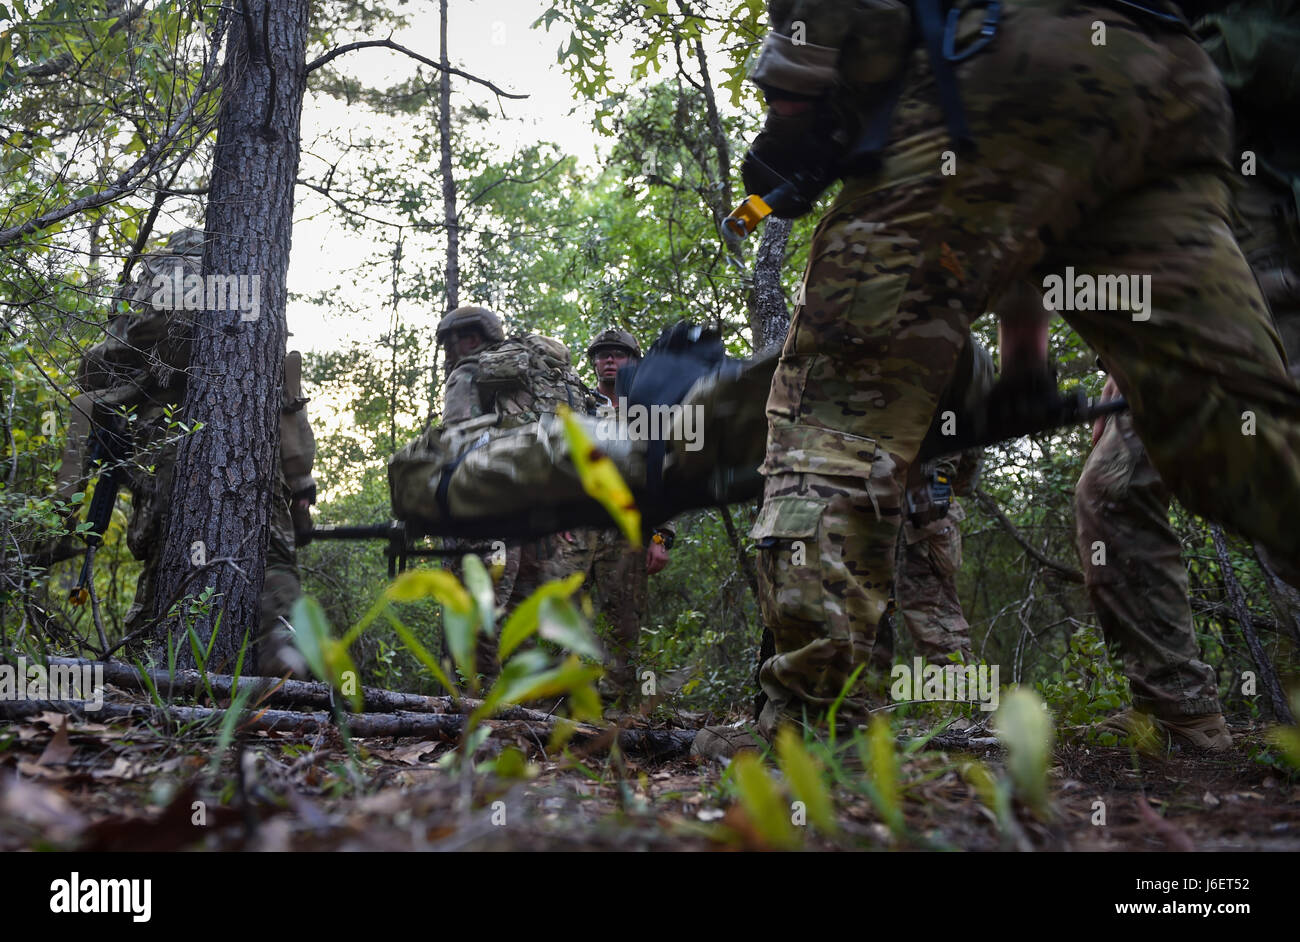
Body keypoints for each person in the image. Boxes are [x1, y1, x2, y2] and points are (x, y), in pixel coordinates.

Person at [731, 0, 1300, 751]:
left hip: (1000, 67)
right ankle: (1188, 724)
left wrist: (796, 98)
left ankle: (810, 731)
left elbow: (1010, 150)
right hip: (1163, 89)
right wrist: (1027, 354)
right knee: (1249, 436)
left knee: (837, 416)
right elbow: (1037, 206)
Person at [1072, 0, 1300, 751]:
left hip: (1276, 264)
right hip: (1201, 282)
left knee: (1273, 473)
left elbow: (1261, 51)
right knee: (1113, 489)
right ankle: (1183, 719)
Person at [54, 227, 316, 675]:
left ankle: (154, 668)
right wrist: (302, 487)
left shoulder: (158, 283)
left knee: (169, 556)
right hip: (257, 444)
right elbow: (288, 395)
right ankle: (285, 664)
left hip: (168, 441)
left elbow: (105, 366)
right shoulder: (250, 287)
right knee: (272, 556)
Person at [433, 305, 597, 682]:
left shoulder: (469, 374)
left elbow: (458, 440)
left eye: (456, 342)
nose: (452, 350)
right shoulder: (530, 378)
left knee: (487, 602)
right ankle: (517, 699)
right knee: (524, 607)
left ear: (472, 340)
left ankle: (485, 696)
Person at [548, 328, 674, 709]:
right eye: (602, 354)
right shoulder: (572, 406)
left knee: (623, 627)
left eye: (618, 353)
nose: (609, 359)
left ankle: (616, 716)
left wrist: (662, 537)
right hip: (577, 531)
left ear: (633, 361)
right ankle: (552, 711)